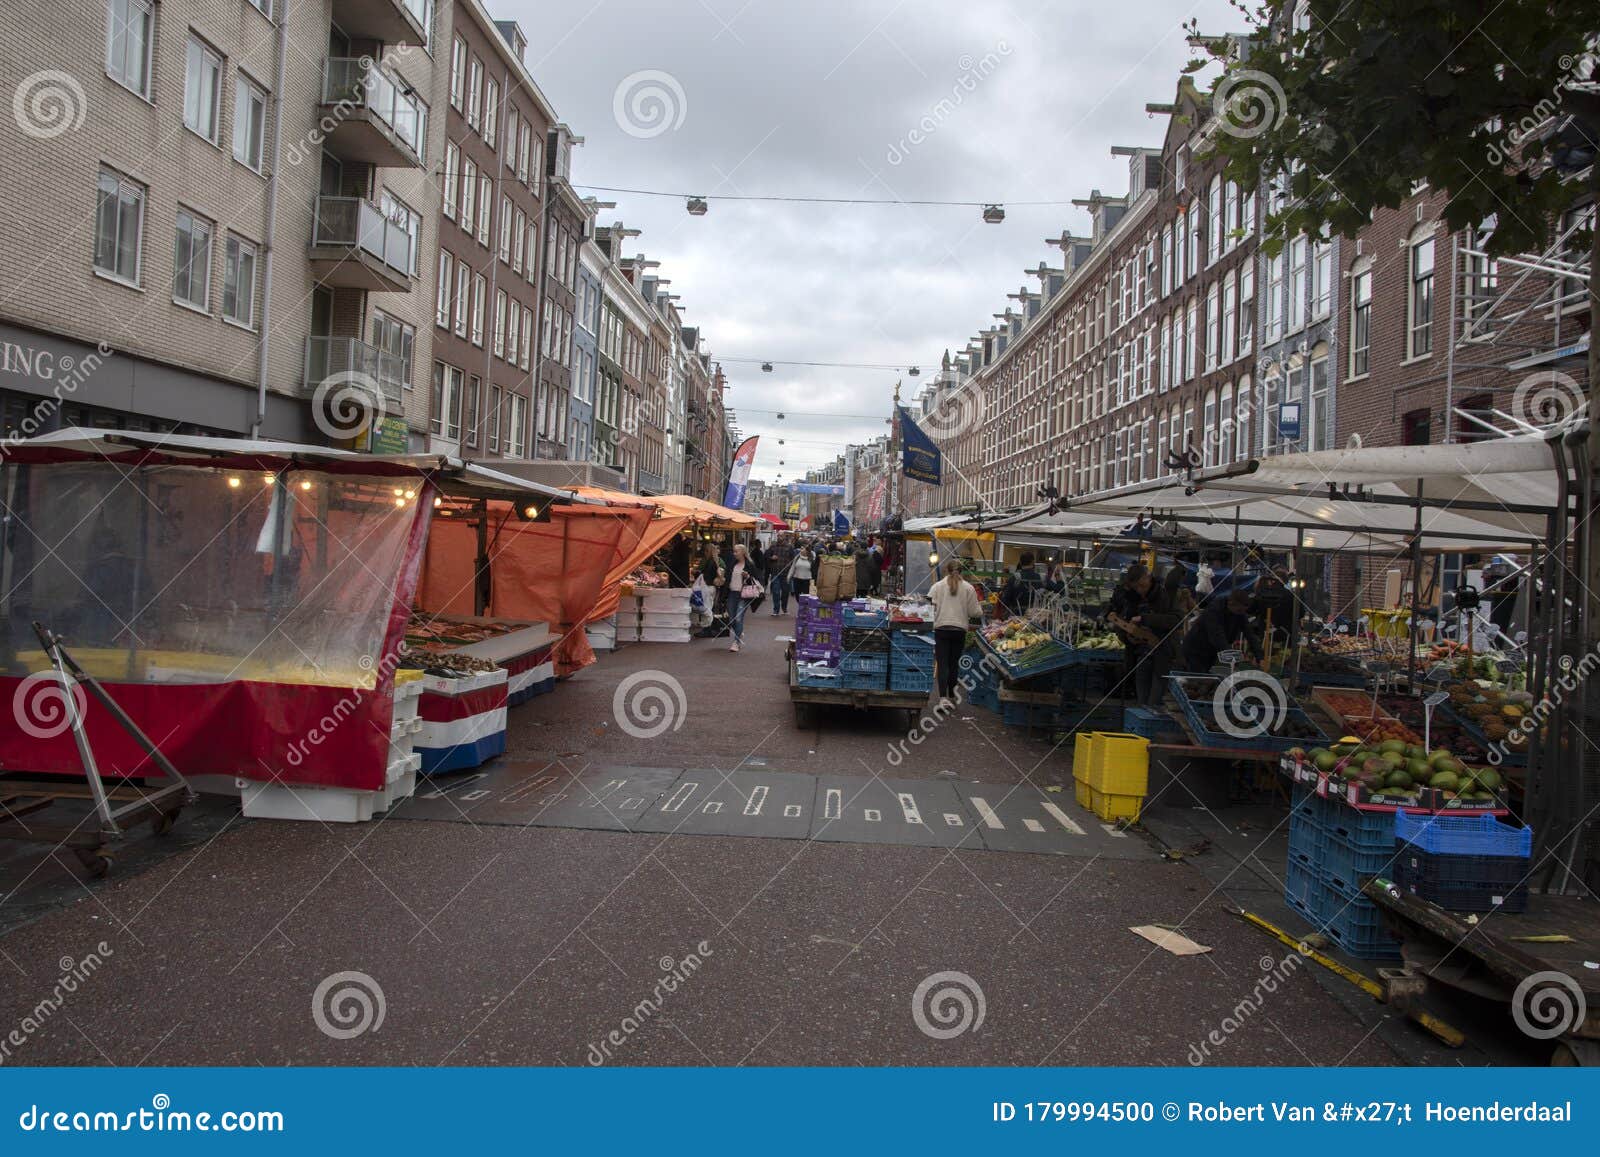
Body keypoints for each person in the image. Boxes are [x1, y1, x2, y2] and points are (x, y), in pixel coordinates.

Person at [930, 559, 982, 701]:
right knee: (953, 664)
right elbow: (975, 613)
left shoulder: (937, 587)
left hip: (941, 630)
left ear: (947, 570)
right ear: (962, 571)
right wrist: (980, 608)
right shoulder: (969, 588)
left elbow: (929, 608)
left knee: (942, 664)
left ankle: (942, 698)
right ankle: (952, 695)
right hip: (959, 631)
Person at [1180, 588, 1263, 672]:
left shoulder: (1240, 613)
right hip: (1195, 649)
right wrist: (1231, 655)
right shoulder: (1214, 610)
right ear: (1231, 603)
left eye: (1244, 611)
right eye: (1239, 610)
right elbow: (1217, 635)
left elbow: (1249, 634)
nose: (1241, 613)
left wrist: (1259, 657)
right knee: (1196, 678)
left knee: (1205, 677)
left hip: (1211, 651)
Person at [725, 543, 764, 652]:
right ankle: (739, 631)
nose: (734, 553)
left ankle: (736, 642)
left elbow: (758, 578)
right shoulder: (732, 564)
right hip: (732, 593)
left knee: (738, 617)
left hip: (744, 594)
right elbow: (728, 578)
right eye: (734, 551)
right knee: (732, 618)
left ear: (743, 552)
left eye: (736, 551)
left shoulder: (750, 564)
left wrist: (748, 576)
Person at [999, 552, 1044, 617]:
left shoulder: (1014, 578)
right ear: (1033, 562)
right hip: (1035, 616)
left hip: (1016, 616)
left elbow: (1005, 599)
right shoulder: (1041, 578)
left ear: (1020, 562)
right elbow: (1058, 589)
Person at [766, 534, 795, 616]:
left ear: (784, 537)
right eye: (778, 536)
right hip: (775, 572)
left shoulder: (789, 547)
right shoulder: (773, 546)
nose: (779, 537)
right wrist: (771, 557)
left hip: (786, 573)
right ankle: (776, 610)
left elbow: (793, 559)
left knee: (785, 592)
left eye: (781, 536)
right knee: (775, 592)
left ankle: (784, 608)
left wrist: (790, 568)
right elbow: (766, 556)